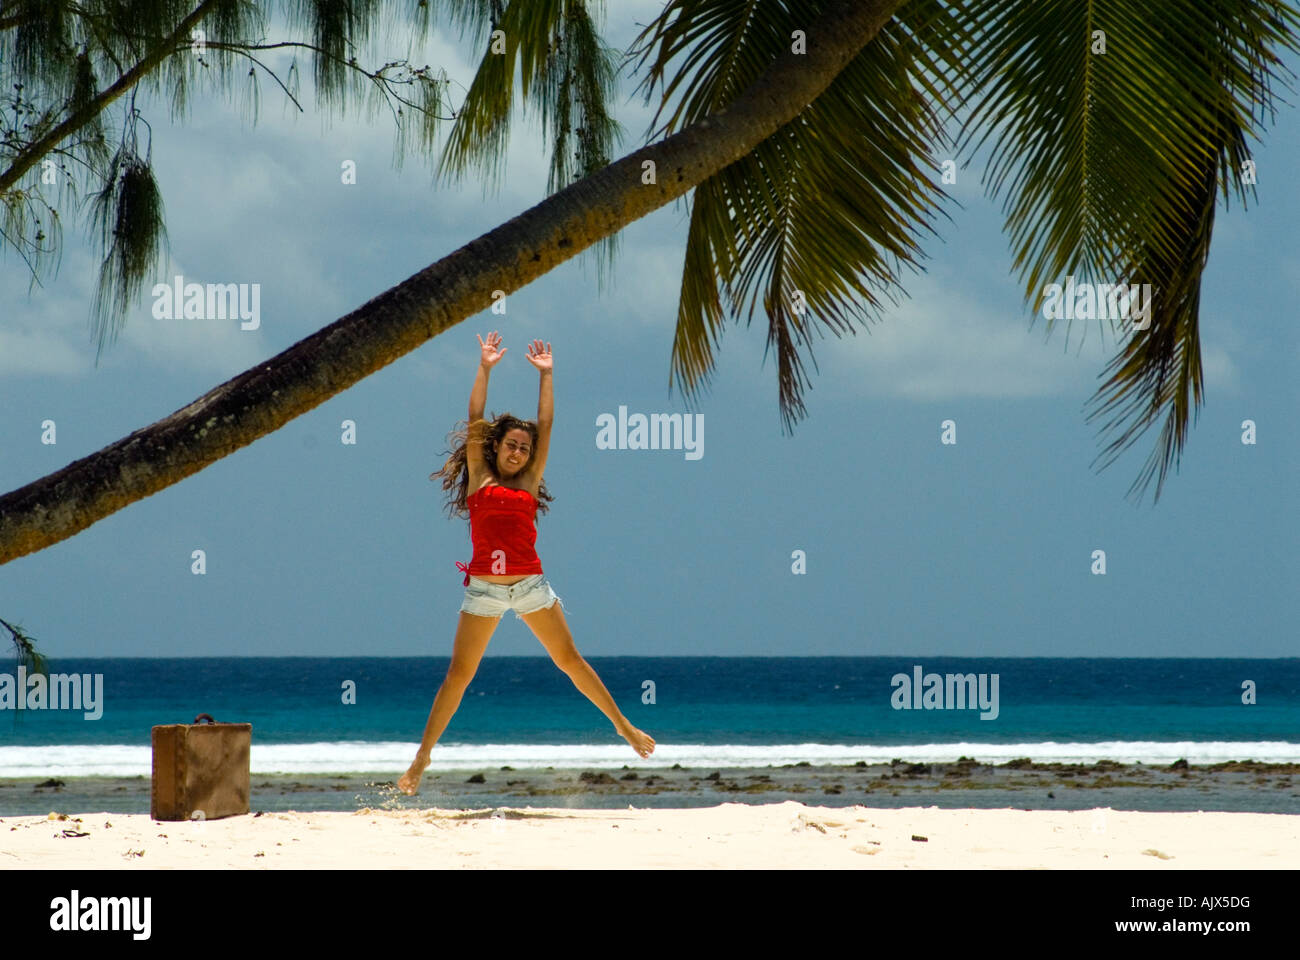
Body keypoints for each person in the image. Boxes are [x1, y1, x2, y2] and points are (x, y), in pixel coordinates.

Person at [397, 332, 655, 795]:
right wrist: (486, 367)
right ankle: (421, 759)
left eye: (524, 448)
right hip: (484, 590)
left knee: (570, 660)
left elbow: (547, 423)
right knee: (459, 676)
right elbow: (475, 416)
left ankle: (623, 726)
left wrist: (547, 375)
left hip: (531, 586)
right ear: (497, 446)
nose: (518, 452)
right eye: (512, 444)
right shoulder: (479, 475)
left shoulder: (530, 482)